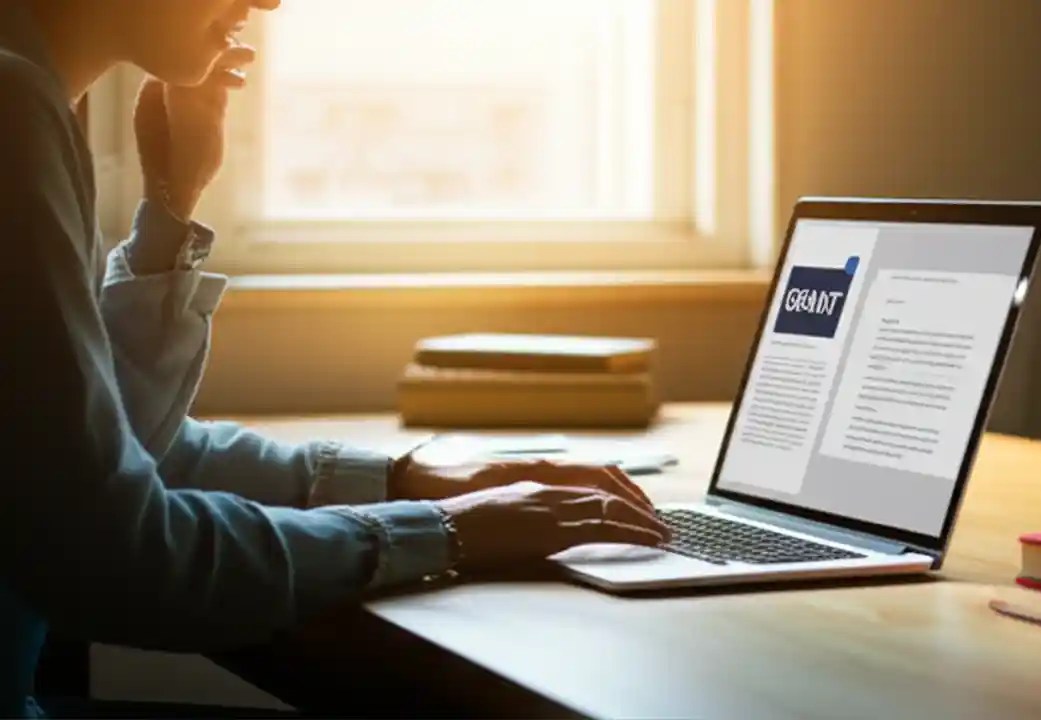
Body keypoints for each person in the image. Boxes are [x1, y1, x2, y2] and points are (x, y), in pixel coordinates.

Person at [0, 0, 671, 717]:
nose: (269, 2)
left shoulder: (31, 95)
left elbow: (95, 458)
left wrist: (400, 480)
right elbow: (112, 554)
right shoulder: (12, 109)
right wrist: (450, 529)